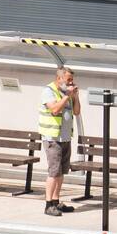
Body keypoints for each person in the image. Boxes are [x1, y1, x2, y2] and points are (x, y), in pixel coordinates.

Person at [37, 66, 80, 218]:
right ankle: (48, 205)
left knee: (61, 172)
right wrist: (67, 96)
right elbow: (54, 110)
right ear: (59, 78)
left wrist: (75, 96)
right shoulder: (48, 91)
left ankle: (56, 201)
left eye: (72, 80)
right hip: (52, 138)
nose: (71, 82)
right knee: (54, 172)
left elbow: (76, 112)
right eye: (68, 79)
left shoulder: (66, 92)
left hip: (65, 137)